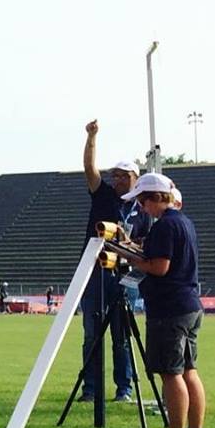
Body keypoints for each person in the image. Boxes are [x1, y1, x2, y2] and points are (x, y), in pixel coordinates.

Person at [123, 172, 205, 428]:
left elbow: (159, 267)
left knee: (171, 372)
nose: (142, 208)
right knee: (189, 370)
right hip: (189, 304)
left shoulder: (164, 226)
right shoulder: (184, 222)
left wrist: (129, 258)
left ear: (156, 198)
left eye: (144, 201)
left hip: (169, 308)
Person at [80, 119, 151, 403]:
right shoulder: (103, 196)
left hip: (124, 276)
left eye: (123, 176)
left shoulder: (143, 210)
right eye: (115, 175)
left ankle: (125, 388)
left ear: (135, 177)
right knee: (91, 335)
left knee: (122, 337)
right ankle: (90, 388)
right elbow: (89, 169)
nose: (117, 180)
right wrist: (92, 137)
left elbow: (146, 244)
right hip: (96, 274)